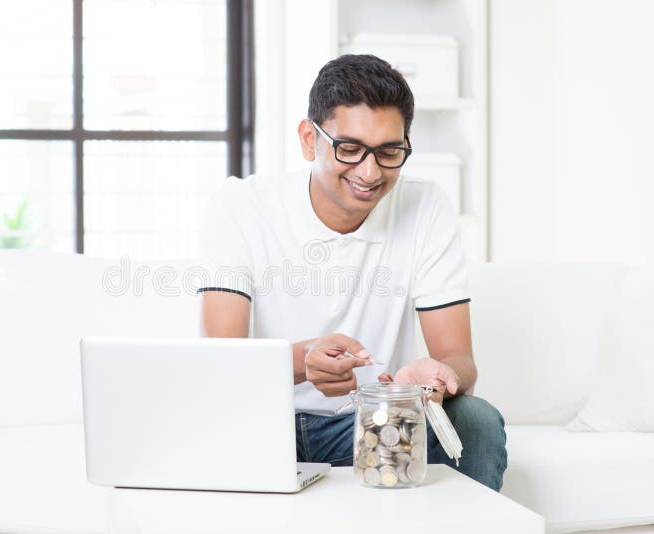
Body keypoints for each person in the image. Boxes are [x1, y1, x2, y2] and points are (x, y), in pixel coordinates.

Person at [197, 54, 507, 491]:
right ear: (310, 139)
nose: (370, 172)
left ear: (406, 143)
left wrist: (438, 378)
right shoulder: (241, 206)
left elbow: (460, 360)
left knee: (473, 419)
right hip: (259, 426)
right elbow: (220, 361)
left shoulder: (425, 207)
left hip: (373, 424)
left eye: (389, 152)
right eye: (349, 148)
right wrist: (304, 361)